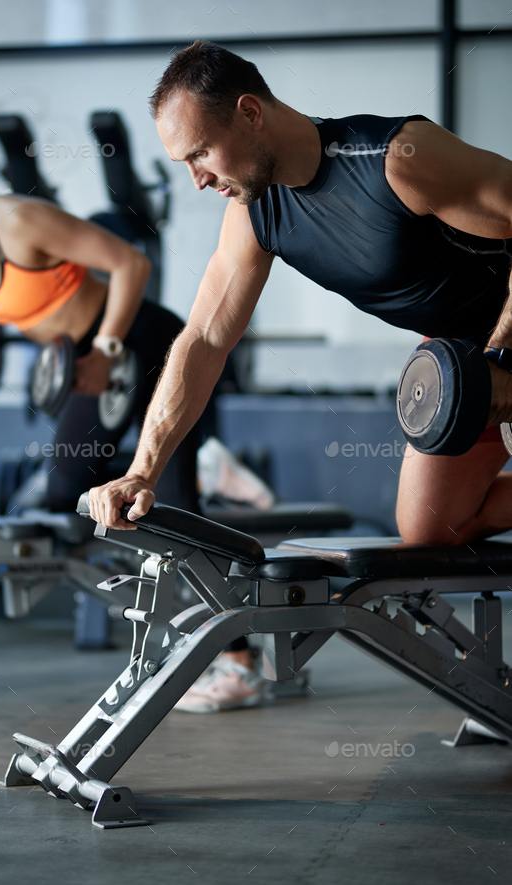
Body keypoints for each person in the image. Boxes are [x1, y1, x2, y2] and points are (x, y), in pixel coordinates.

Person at [88, 40, 512, 710]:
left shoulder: (396, 161)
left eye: (200, 152)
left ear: (250, 112)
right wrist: (142, 468)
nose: (195, 178)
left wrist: (499, 357)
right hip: (465, 356)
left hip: (498, 339)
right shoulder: (255, 216)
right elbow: (202, 340)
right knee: (432, 529)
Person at [0, 163, 198, 512]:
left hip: (143, 339)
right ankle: (107, 565)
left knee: (174, 503)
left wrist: (104, 350)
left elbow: (131, 264)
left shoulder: (16, 221)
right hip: (87, 362)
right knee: (67, 489)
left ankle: (211, 470)